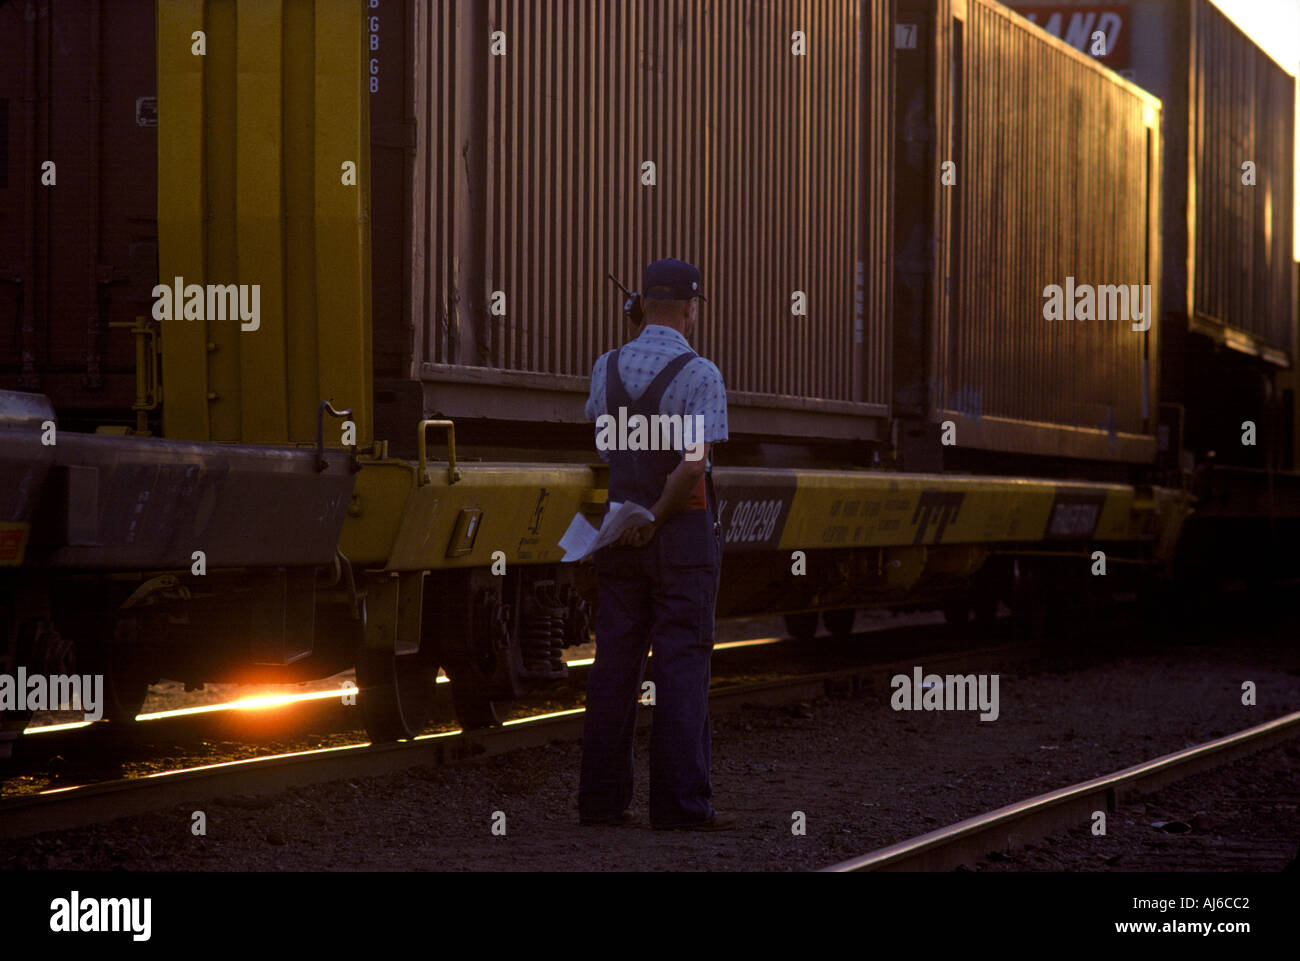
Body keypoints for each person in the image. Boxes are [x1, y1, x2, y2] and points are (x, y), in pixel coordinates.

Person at [578, 258, 731, 830]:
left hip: (618, 534)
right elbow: (693, 466)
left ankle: (599, 803)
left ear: (640, 306)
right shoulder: (701, 374)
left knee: (613, 668)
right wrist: (660, 517)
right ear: (690, 309)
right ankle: (680, 808)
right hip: (682, 539)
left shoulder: (606, 367)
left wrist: (636, 519)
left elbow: (606, 444)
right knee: (681, 669)